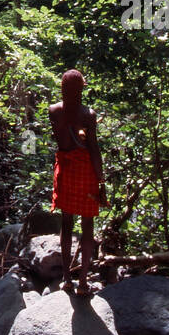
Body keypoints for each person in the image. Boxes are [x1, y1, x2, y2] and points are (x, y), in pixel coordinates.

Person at [49, 68, 107, 295]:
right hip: (85, 170)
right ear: (81, 87)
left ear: (62, 88)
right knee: (88, 226)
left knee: (66, 222)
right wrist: (101, 179)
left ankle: (67, 280)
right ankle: (83, 282)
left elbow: (61, 138)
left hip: (65, 168)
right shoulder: (88, 115)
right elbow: (93, 147)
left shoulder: (54, 111)